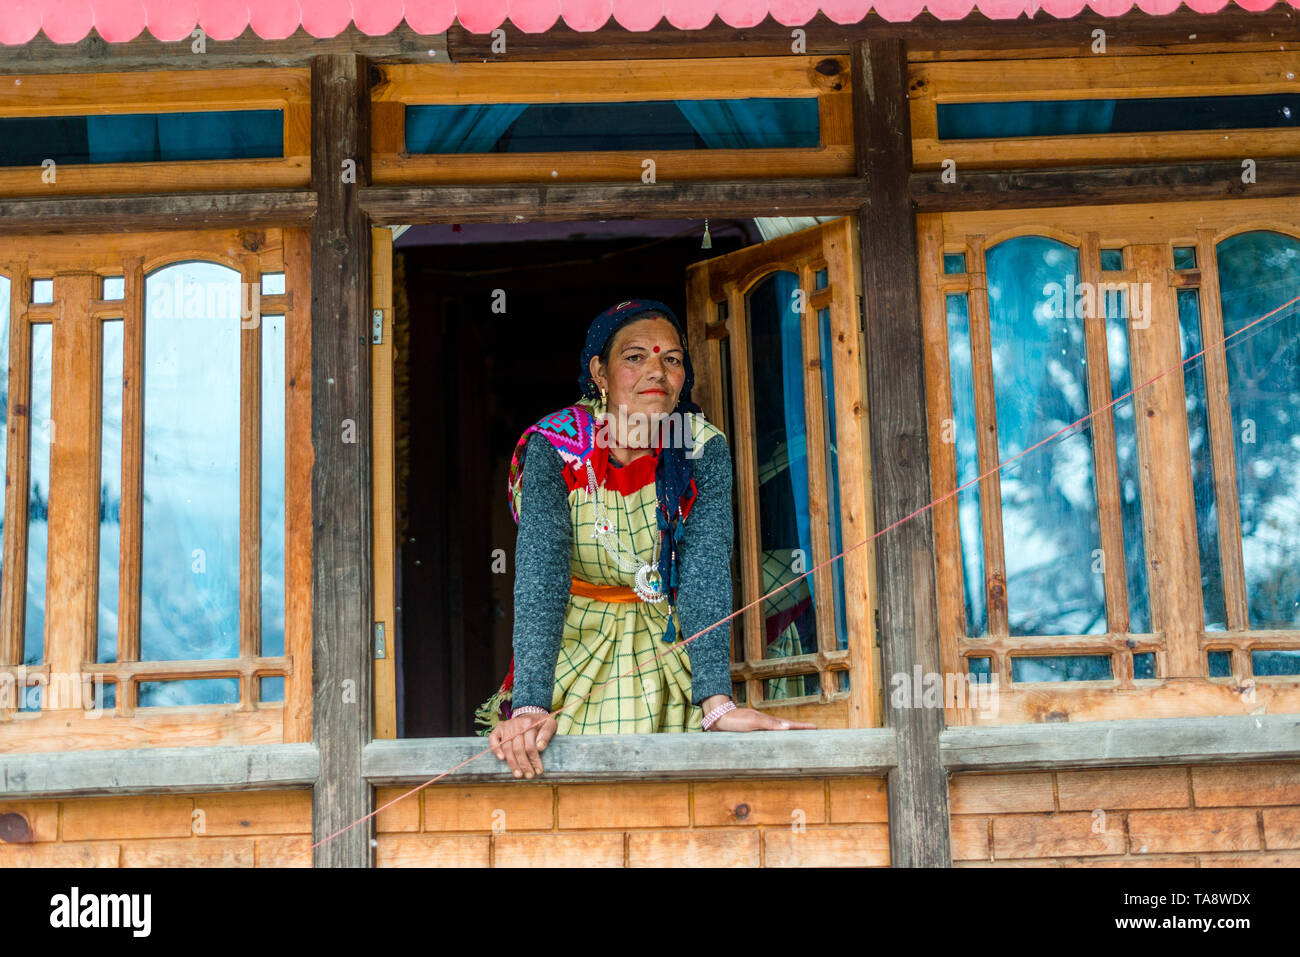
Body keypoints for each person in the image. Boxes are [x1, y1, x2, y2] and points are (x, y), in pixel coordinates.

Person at [475, 298, 814, 779]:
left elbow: (703, 572)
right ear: (599, 371)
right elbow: (541, 575)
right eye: (635, 357)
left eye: (671, 359)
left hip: (667, 641)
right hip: (577, 645)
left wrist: (716, 702)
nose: (656, 370)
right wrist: (531, 703)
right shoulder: (555, 448)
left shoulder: (701, 447)